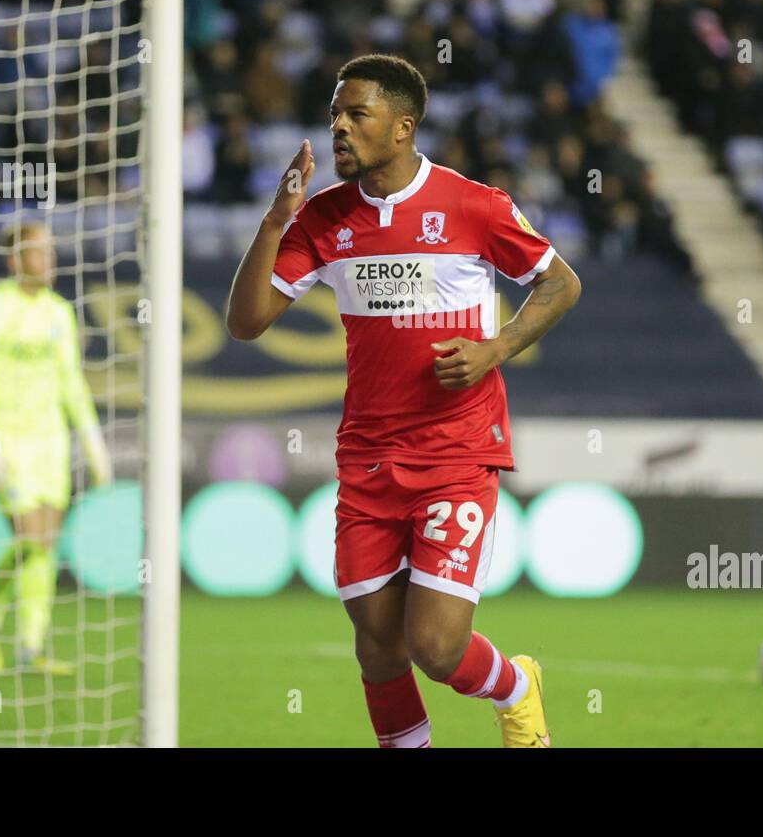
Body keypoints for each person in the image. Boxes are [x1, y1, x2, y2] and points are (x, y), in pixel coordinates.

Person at [227, 54, 581, 746]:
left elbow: (560, 284)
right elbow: (246, 322)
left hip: (455, 453)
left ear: (402, 127)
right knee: (377, 649)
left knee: (436, 647)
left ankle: (516, 686)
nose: (338, 126)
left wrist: (496, 347)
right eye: (334, 112)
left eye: (356, 113)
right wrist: (275, 222)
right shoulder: (324, 220)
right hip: (367, 460)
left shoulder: (474, 206)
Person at [0, 221, 112, 675]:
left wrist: (93, 442)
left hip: (50, 442)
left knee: (45, 544)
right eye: (39, 252)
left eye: (51, 250)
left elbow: (71, 384)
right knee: (31, 535)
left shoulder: (59, 312)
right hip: (6, 441)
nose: (50, 260)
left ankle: (28, 645)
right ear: (15, 259)